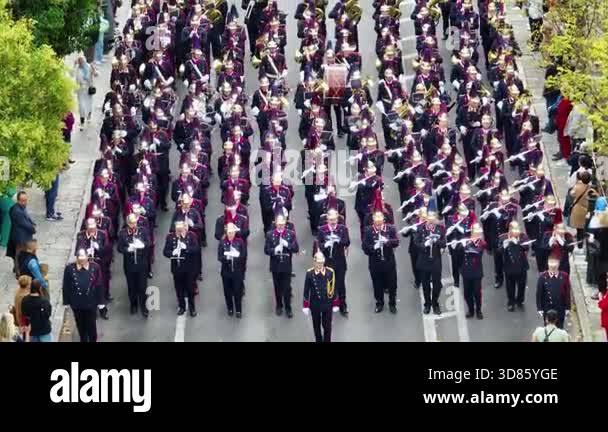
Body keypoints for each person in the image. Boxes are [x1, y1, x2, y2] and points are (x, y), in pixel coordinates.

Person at [62, 249, 104, 342]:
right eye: (80, 257)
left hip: (91, 301)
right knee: (81, 325)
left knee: (92, 325)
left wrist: (101, 301)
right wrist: (66, 302)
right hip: (76, 303)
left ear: (87, 257)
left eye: (83, 257)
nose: (82, 260)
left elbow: (99, 284)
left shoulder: (95, 267)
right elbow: (66, 285)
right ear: (76, 258)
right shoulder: (70, 268)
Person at [362, 209, 400, 313]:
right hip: (375, 263)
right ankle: (379, 303)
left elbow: (396, 242)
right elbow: (365, 248)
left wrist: (387, 241)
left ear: (383, 220)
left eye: (380, 220)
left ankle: (392, 303)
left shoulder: (390, 229)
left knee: (392, 285)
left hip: (389, 262)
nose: (378, 222)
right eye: (376, 220)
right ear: (373, 220)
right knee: (377, 285)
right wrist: (374, 247)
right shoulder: (368, 231)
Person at [264, 212, 299, 318]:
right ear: (275, 223)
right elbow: (266, 250)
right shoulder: (270, 234)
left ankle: (288, 308)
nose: (280, 225)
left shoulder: (290, 234)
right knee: (277, 287)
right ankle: (279, 305)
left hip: (286, 265)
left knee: (287, 288)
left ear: (285, 223)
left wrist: (287, 244)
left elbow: (296, 248)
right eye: (278, 224)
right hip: (275, 265)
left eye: (282, 223)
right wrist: (274, 250)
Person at [163, 220, 201, 317]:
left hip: (189, 268)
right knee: (179, 289)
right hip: (177, 267)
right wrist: (172, 253)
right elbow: (165, 251)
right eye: (177, 230)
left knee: (190, 289)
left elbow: (196, 248)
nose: (179, 232)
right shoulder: (171, 237)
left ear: (185, 228)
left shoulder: (191, 236)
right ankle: (182, 306)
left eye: (181, 229)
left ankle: (192, 308)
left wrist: (186, 248)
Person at [117, 213, 151, 318]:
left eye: (135, 222)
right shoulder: (123, 234)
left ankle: (144, 307)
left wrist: (142, 245)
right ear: (128, 223)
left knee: (142, 286)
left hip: (141, 264)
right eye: (131, 223)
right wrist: (128, 249)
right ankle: (133, 305)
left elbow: (149, 243)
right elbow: (119, 248)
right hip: (130, 264)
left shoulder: (143, 231)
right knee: (131, 287)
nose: (133, 225)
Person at [303, 251, 339, 342]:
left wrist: (335, 303)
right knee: (316, 326)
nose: (320, 264)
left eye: (322, 262)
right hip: (315, 304)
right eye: (318, 263)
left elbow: (333, 288)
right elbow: (306, 290)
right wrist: (306, 305)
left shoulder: (330, 272)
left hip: (327, 303)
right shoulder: (310, 274)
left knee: (327, 326)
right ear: (314, 262)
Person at [217, 220, 247, 318]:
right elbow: (219, 257)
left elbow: (243, 255)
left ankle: (238, 310)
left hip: (237, 271)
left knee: (237, 291)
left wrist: (236, 256)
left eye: (232, 232)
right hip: (226, 271)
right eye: (229, 232)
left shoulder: (240, 242)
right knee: (227, 291)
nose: (230, 234)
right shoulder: (222, 242)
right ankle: (230, 308)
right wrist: (227, 257)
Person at [536, 254, 571, 329]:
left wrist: (568, 307)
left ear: (559, 264)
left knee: (560, 327)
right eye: (550, 263)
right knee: (548, 329)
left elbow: (567, 292)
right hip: (547, 308)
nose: (553, 265)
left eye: (555, 263)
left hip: (560, 308)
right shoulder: (543, 276)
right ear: (548, 263)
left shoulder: (564, 276)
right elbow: (539, 293)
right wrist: (539, 308)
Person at [7, 191, 36, 275]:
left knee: (20, 254)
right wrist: (33, 228)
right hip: (19, 237)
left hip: (22, 236)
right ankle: (18, 272)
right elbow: (24, 224)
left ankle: (17, 268)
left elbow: (27, 218)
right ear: (18, 200)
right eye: (22, 201)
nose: (24, 202)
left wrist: (32, 223)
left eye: (25, 200)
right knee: (19, 255)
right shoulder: (17, 211)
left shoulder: (21, 207)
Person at [568, 171, 596, 250]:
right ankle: (583, 243)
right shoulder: (591, 189)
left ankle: (580, 244)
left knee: (579, 229)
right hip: (586, 210)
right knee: (584, 227)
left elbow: (571, 194)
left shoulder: (577, 186)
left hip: (577, 209)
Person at [74, 54, 98, 130]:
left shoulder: (89, 66)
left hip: (88, 90)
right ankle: (82, 123)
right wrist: (74, 65)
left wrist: (94, 70)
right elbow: (71, 74)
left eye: (82, 62)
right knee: (81, 106)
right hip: (80, 90)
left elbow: (97, 75)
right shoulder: (77, 68)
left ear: (84, 61)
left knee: (89, 105)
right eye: (79, 62)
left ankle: (89, 116)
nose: (81, 63)